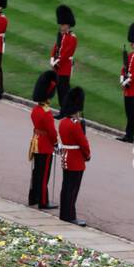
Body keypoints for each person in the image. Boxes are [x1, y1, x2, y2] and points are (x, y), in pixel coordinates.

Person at [57, 87, 90, 226]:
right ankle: (70, 215)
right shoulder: (74, 125)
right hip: (76, 159)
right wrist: (87, 155)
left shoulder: (63, 122)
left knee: (66, 187)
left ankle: (64, 213)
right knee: (73, 189)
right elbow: (83, 143)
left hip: (66, 157)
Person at [28, 70, 58, 210]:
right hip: (45, 145)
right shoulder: (46, 113)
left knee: (36, 172)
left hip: (36, 142)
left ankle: (33, 196)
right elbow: (52, 132)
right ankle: (43, 201)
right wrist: (56, 143)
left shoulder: (35, 110)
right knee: (44, 174)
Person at [50, 4, 76, 108]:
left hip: (65, 67)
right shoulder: (62, 36)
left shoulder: (72, 38)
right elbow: (56, 48)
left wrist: (57, 62)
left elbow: (66, 54)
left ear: (68, 25)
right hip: (58, 67)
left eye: (63, 24)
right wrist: (52, 58)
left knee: (64, 90)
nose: (61, 26)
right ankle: (63, 110)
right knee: (60, 90)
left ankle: (65, 110)